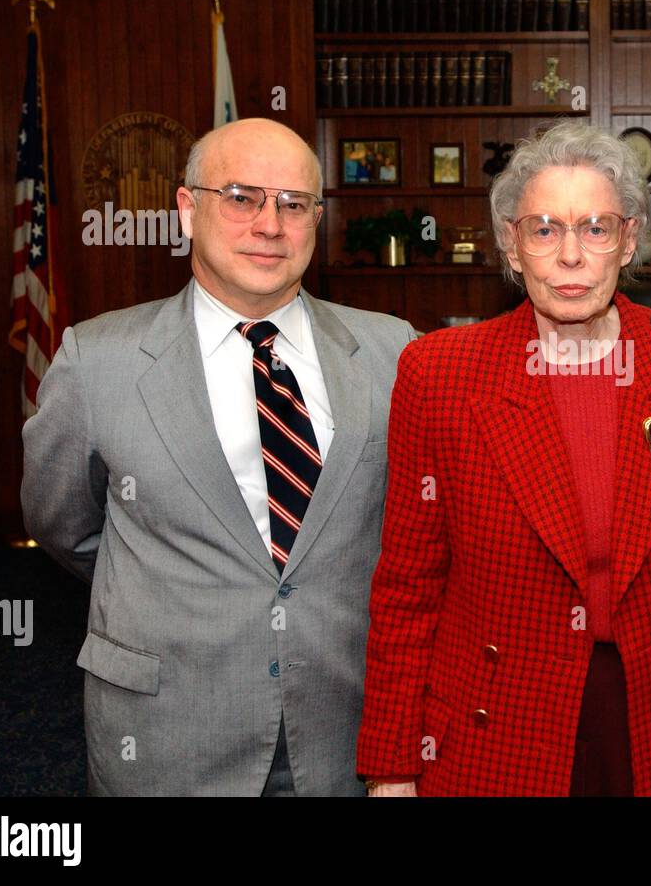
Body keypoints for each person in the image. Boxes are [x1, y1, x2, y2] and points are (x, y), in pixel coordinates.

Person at [358, 120, 651, 796]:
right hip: (496, 730)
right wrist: (391, 765)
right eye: (544, 229)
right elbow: (407, 586)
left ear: (627, 240)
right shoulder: (440, 373)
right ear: (511, 243)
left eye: (595, 228)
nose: (570, 255)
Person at [22, 118, 414, 795]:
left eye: (294, 204)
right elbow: (66, 527)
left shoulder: (395, 352)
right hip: (170, 727)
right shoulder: (97, 361)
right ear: (186, 208)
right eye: (240, 197)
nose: (270, 225)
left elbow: (411, 534)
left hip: (346, 722)